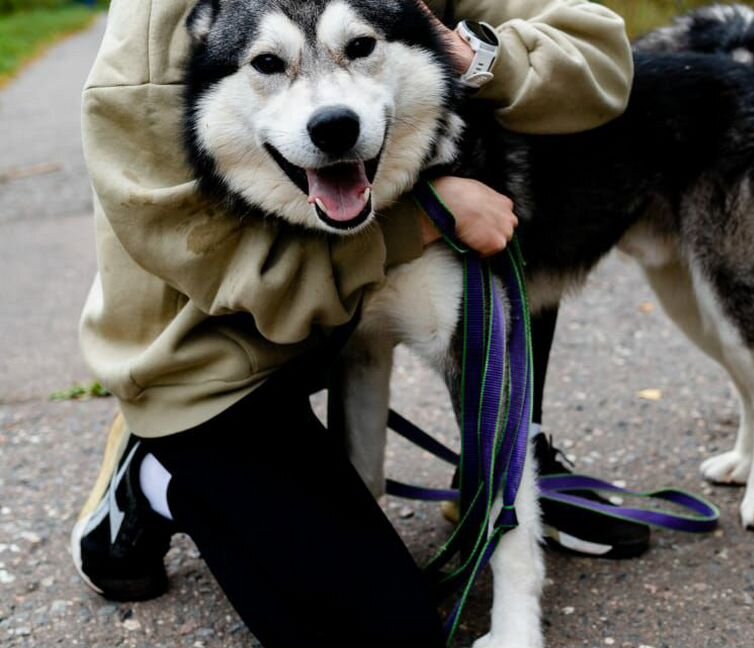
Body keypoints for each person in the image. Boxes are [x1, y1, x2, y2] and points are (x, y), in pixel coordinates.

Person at [70, 0, 635, 645]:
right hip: (211, 346)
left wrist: (467, 53)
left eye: (359, 47)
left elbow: (600, 56)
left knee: (497, 232)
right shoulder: (150, 32)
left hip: (343, 295)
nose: (330, 110)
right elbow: (214, 257)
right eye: (268, 63)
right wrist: (423, 221)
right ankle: (156, 476)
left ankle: (496, 471)